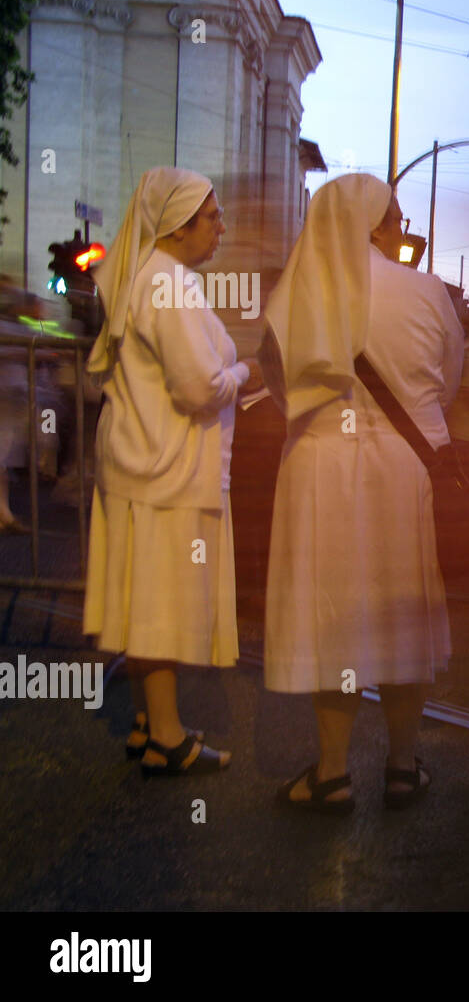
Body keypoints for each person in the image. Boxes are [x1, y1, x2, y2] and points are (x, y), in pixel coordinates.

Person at [261, 173, 464, 813]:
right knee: (401, 613)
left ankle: (331, 773)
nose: (402, 231)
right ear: (373, 226)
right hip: (402, 470)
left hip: (319, 471)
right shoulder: (428, 291)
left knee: (335, 620)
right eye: (396, 219)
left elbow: (275, 384)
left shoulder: (297, 297)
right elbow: (447, 380)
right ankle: (402, 767)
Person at [82, 166, 262, 775]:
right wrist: (246, 375)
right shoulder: (171, 286)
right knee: (161, 603)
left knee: (140, 598)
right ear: (179, 226)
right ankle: (165, 735)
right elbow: (198, 387)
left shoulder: (144, 277)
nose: (221, 228)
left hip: (138, 463)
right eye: (212, 218)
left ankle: (145, 721)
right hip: (169, 469)